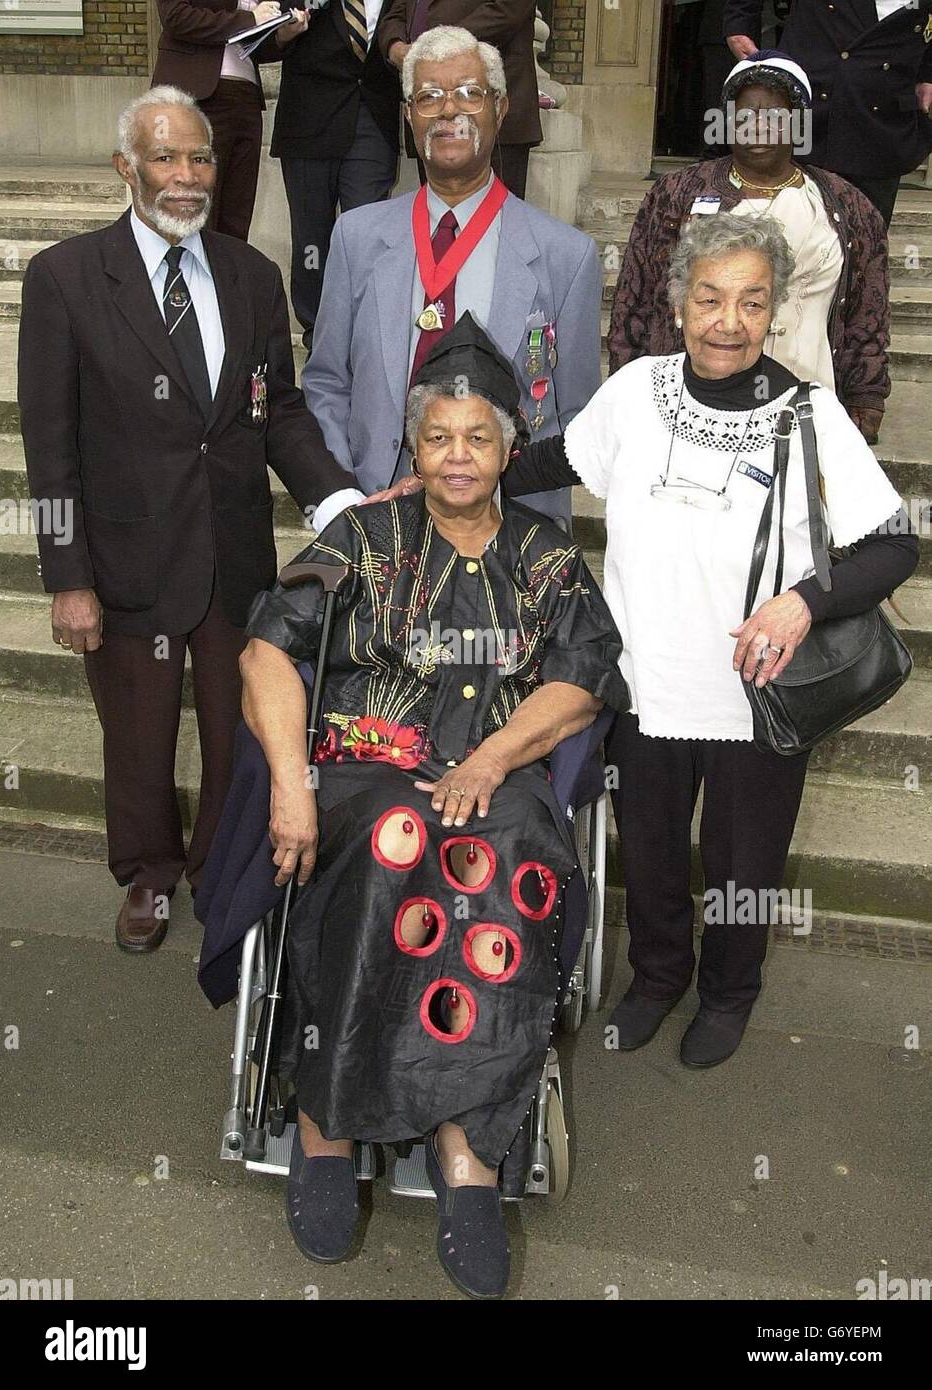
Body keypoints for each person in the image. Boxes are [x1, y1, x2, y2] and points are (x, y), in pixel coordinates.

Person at [378, 215, 919, 1068]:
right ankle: (658, 978)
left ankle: (729, 993)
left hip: (756, 695)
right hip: (641, 682)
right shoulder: (637, 392)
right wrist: (452, 474)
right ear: (678, 305)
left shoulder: (805, 413)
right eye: (709, 298)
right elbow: (554, 461)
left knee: (742, 869)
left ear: (773, 311)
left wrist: (803, 603)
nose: (727, 321)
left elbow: (895, 543)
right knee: (655, 855)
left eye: (750, 301)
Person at [236, 313, 627, 1298]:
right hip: (367, 768)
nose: (458, 455)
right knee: (387, 842)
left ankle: (468, 1159)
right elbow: (266, 651)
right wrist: (289, 781)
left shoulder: (541, 554)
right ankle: (327, 1128)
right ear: (413, 445)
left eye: (478, 437)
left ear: (507, 445)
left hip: (493, 776)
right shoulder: (359, 536)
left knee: (497, 864)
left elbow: (584, 676)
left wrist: (493, 757)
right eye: (438, 436)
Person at [16, 88, 354, 953]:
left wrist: (335, 497)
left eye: (199, 157)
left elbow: (276, 411)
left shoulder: (251, 277)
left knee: (238, 729)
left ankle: (219, 869)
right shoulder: (65, 278)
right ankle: (148, 877)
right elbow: (49, 447)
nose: (185, 176)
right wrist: (69, 579)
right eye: (165, 157)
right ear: (126, 167)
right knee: (136, 735)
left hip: (232, 561)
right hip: (125, 561)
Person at [301, 24, 602, 535]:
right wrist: (349, 498)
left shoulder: (566, 256)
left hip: (510, 528)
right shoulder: (357, 237)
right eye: (428, 97)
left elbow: (575, 420)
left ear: (501, 108)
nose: (448, 111)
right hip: (379, 515)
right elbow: (327, 380)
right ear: (408, 117)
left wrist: (484, 484)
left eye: (468, 93)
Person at [608, 52, 891, 444]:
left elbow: (867, 315)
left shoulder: (849, 207)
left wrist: (867, 397)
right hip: (693, 403)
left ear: (799, 123)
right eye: (743, 117)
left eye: (775, 118)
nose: (757, 128)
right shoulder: (676, 194)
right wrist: (627, 388)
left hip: (806, 396)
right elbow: (635, 301)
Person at [260, 0, 402, 349]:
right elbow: (262, 41)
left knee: (365, 239)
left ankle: (361, 341)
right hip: (309, 121)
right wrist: (284, 32)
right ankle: (318, 340)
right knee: (311, 241)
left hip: (372, 118)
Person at [724, 0, 932, 225]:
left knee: (866, 239)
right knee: (779, 233)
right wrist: (740, 23)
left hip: (883, 115)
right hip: (809, 99)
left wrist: (928, 72)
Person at [152, 1, 304, 240]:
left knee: (237, 213)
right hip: (194, 96)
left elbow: (251, 45)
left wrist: (281, 36)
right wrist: (249, 19)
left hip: (246, 97)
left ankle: (229, 276)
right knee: (193, 208)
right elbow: (175, 17)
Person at [378, 0, 540, 197]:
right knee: (438, 219)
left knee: (496, 220)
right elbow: (396, 13)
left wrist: (432, 48)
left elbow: (507, 10)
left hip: (487, 115)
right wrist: (394, 46)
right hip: (429, 108)